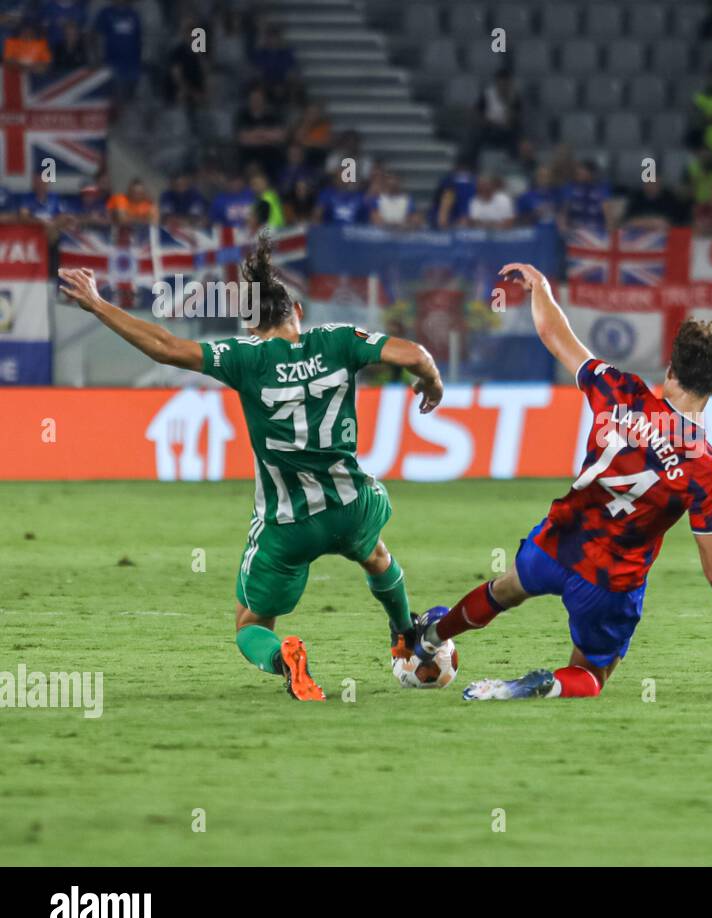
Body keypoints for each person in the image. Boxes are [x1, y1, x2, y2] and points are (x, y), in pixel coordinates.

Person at [57, 235, 446, 701]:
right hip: (351, 506)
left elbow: (164, 346)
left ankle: (285, 657)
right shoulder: (339, 341)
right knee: (375, 554)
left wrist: (99, 304)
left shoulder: (245, 357)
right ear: (296, 311)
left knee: (248, 624)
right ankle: (404, 632)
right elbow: (416, 356)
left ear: (252, 325)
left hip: (289, 525)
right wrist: (431, 383)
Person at [409, 262, 712, 701]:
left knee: (504, 589)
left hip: (555, 542)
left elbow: (555, 336)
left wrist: (541, 288)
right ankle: (520, 688)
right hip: (609, 581)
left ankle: (431, 636)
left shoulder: (619, 390)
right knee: (591, 675)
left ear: (671, 366)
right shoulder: (705, 467)